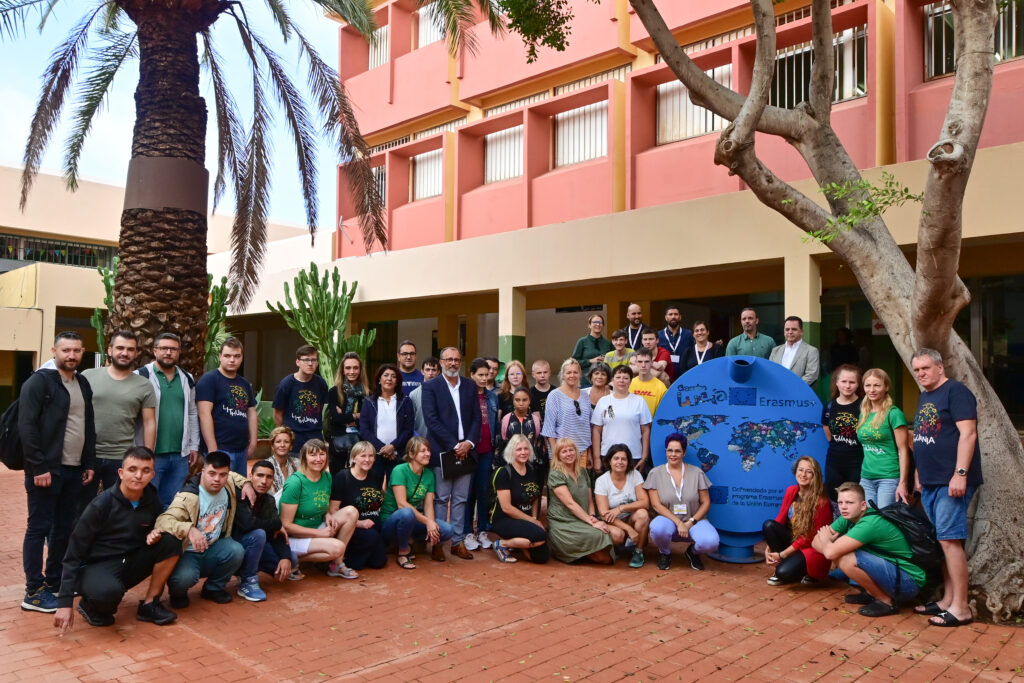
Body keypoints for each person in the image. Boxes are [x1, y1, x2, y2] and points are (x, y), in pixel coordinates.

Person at [54, 447, 180, 630]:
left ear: (152, 474)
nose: (138, 476)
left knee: (170, 542)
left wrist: (153, 532)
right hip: (97, 565)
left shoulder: (151, 498)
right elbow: (72, 553)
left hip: (129, 559)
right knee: (108, 596)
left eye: (145, 471)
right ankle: (89, 605)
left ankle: (149, 604)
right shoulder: (101, 505)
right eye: (132, 469)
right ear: (121, 473)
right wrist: (64, 603)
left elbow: (153, 525)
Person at [18, 331, 96, 614]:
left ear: (82, 351)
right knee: (38, 527)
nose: (71, 356)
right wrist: (38, 467)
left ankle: (54, 582)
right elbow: (26, 427)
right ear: (54, 351)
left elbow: (88, 424)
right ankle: (33, 591)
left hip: (74, 470)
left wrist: (89, 463)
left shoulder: (82, 382)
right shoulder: (39, 382)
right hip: (45, 471)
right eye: (66, 350)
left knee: (63, 527)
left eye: (76, 351)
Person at [910, 348, 982, 628]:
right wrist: (918, 471)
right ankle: (947, 600)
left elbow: (969, 433)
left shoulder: (956, 392)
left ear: (940, 367)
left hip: (951, 481)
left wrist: (960, 474)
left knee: (950, 541)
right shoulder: (925, 395)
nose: (921, 374)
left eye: (926, 368)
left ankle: (961, 608)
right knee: (944, 541)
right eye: (917, 370)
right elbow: (924, 437)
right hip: (930, 480)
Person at [812, 482, 926, 617]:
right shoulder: (847, 516)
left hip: (908, 582)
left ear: (863, 506)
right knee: (841, 554)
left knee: (845, 558)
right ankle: (871, 593)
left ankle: (886, 602)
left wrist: (827, 540)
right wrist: (829, 547)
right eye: (840, 502)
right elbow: (814, 542)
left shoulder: (870, 523)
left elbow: (830, 552)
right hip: (893, 573)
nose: (843, 507)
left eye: (849, 502)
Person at [156, 451, 248, 607]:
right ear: (203, 471)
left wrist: (247, 484)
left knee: (236, 550)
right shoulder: (187, 496)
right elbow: (162, 521)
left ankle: (213, 589)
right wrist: (189, 529)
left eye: (222, 475)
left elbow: (234, 476)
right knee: (184, 578)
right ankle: (178, 592)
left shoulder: (228, 483)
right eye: (212, 473)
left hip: (213, 546)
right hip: (188, 552)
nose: (217, 479)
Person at [80, 330, 157, 509]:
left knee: (119, 509)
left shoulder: (144, 385)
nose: (125, 353)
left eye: (130, 349)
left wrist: (146, 457)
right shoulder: (88, 376)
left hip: (122, 457)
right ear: (110, 350)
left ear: (136, 353)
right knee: (80, 507)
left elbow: (149, 423)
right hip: (87, 456)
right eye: (120, 348)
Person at [421, 346, 481, 560]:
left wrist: (469, 443)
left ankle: (457, 542)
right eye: (449, 360)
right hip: (443, 452)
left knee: (461, 499)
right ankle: (438, 543)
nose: (453, 363)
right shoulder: (431, 387)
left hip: (467, 452)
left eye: (456, 359)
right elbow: (431, 421)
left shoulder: (469, 385)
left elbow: (476, 418)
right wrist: (455, 445)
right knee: (441, 499)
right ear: (441, 362)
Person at [136, 332, 200, 509]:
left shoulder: (187, 378)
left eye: (173, 349)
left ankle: (166, 536)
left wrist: (194, 445)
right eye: (164, 348)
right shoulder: (141, 376)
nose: (168, 353)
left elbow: (192, 413)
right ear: (154, 350)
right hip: (150, 453)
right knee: (145, 501)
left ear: (179, 352)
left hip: (180, 456)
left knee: (171, 504)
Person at [278, 439, 359, 578]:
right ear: (304, 458)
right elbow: (286, 525)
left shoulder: (326, 476)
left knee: (351, 511)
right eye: (313, 455)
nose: (318, 459)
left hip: (316, 527)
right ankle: (294, 560)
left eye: (322, 454)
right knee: (338, 547)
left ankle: (337, 565)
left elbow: (320, 503)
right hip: (293, 537)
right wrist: (320, 534)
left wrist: (327, 515)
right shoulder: (295, 483)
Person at [645, 433, 719, 570]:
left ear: (684, 453)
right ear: (666, 451)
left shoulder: (697, 473)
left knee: (711, 542)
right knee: (657, 528)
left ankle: (693, 552)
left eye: (677, 451)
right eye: (670, 450)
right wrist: (679, 523)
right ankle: (665, 553)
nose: (673, 454)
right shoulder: (655, 473)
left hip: (694, 520)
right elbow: (656, 504)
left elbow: (706, 502)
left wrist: (690, 522)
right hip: (668, 520)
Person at [380, 437, 455, 569]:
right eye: (423, 451)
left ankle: (410, 540)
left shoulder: (429, 474)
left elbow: (428, 505)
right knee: (407, 512)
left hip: (412, 520)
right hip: (391, 521)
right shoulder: (400, 470)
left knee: (447, 530)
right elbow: (401, 504)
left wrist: (431, 525)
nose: (428, 453)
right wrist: (427, 522)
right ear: (411, 454)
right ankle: (403, 551)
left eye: (428, 450)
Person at [762, 456, 833, 585]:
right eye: (800, 470)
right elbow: (780, 519)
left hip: (811, 549)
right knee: (769, 525)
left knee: (784, 573)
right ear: (795, 472)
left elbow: (809, 537)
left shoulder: (821, 501)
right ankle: (780, 567)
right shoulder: (791, 490)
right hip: (794, 541)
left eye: (809, 471)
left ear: (815, 475)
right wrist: (768, 550)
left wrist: (782, 554)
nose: (803, 475)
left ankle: (807, 573)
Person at [231, 459, 294, 602]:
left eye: (269, 477)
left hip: (257, 546)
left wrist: (286, 557)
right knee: (258, 534)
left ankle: (246, 570)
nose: (264, 481)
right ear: (250, 476)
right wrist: (275, 524)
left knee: (292, 561)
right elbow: (247, 524)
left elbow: (276, 531)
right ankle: (248, 580)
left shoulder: (269, 500)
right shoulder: (241, 495)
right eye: (260, 475)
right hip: (235, 545)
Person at [545, 438, 615, 564]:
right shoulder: (555, 474)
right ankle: (564, 551)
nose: (569, 454)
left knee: (608, 549)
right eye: (564, 451)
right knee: (603, 554)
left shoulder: (582, 472)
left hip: (582, 518)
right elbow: (570, 504)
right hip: (563, 522)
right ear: (558, 456)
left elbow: (590, 501)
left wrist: (593, 517)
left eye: (571, 450)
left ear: (576, 452)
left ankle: (578, 553)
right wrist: (592, 523)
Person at [195, 337, 257, 476]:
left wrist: (253, 442)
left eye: (237, 356)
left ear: (242, 358)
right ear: (220, 357)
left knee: (238, 491)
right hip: (220, 449)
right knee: (219, 491)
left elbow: (251, 412)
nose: (232, 360)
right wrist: (213, 450)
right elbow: (204, 414)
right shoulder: (210, 379)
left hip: (241, 449)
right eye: (227, 356)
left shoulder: (244, 383)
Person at [489, 435, 549, 563]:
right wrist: (532, 522)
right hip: (505, 519)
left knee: (541, 557)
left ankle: (516, 544)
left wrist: (534, 518)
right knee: (540, 535)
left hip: (524, 520)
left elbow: (535, 497)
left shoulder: (532, 469)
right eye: (519, 449)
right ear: (512, 451)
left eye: (526, 449)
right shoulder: (504, 473)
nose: (523, 452)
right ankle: (502, 544)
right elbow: (507, 508)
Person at [329, 441, 387, 572]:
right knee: (358, 564)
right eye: (363, 456)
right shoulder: (342, 477)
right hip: (352, 528)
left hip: (373, 526)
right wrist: (360, 523)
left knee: (380, 562)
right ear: (354, 458)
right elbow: (333, 511)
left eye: (371, 456)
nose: (367, 460)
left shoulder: (375, 475)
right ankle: (340, 560)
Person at [857, 368, 911, 508]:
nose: (872, 390)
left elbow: (903, 450)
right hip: (866, 477)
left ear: (886, 387)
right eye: (868, 385)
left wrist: (903, 482)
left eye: (877, 385)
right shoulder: (863, 414)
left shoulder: (894, 413)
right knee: (869, 519)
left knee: (884, 519)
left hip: (889, 477)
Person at [594, 444, 650, 568]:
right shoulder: (602, 481)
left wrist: (620, 508)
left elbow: (645, 502)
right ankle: (619, 546)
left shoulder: (634, 475)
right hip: (613, 522)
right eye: (616, 458)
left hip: (631, 517)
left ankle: (638, 551)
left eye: (623, 459)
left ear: (628, 461)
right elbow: (603, 513)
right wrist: (628, 529)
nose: (620, 462)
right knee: (617, 535)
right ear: (609, 460)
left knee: (643, 514)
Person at [464, 358, 499, 552]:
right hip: (470, 452)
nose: (485, 378)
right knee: (468, 493)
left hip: (487, 450)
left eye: (488, 374)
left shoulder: (493, 397)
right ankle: (468, 531)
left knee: (484, 492)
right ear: (472, 374)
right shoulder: (465, 396)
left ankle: (483, 530)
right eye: (481, 375)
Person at [591, 365, 652, 475]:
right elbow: (596, 430)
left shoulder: (639, 401)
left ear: (630, 381)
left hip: (634, 456)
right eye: (618, 377)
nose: (621, 381)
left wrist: (644, 458)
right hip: (608, 455)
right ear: (612, 380)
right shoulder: (604, 402)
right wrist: (596, 458)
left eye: (625, 378)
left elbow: (646, 430)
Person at [359, 363, 415, 480]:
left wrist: (393, 447)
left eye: (393, 376)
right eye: (386, 375)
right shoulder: (369, 402)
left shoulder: (405, 401)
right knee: (374, 488)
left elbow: (408, 429)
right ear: (379, 379)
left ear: (397, 381)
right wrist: (383, 448)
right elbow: (364, 430)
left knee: (396, 488)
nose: (389, 379)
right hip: (375, 454)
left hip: (398, 454)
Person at [272, 344, 329, 451]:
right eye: (306, 360)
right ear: (298, 362)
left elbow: (320, 407)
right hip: (294, 436)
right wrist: (286, 434)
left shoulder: (321, 383)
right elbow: (277, 413)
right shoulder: (286, 384)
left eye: (314, 360)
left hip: (315, 435)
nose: (310, 364)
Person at [541, 358, 594, 470]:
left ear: (580, 374)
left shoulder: (585, 396)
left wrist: (589, 452)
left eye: (575, 372)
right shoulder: (554, 395)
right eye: (568, 372)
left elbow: (588, 426)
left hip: (582, 450)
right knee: (562, 486)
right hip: (561, 452)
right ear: (563, 375)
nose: (572, 375)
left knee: (580, 486)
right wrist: (556, 454)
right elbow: (549, 428)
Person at [822, 365, 864, 501]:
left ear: (858, 384)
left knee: (856, 502)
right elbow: (828, 433)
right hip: (834, 463)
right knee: (836, 502)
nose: (847, 386)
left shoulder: (865, 406)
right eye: (844, 381)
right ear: (836, 382)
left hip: (858, 463)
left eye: (852, 382)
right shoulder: (829, 407)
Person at [326, 352, 368, 472]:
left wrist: (346, 417)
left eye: (355, 368)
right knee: (337, 480)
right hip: (338, 443)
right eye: (348, 368)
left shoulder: (367, 393)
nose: (352, 371)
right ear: (343, 370)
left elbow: (368, 419)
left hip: (360, 443)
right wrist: (356, 415)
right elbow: (336, 419)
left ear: (360, 370)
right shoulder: (334, 392)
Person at [769, 316, 821, 385]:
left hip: (799, 393)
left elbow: (811, 375)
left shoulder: (811, 351)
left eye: (794, 329)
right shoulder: (775, 351)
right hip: (777, 392)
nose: (790, 332)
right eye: (787, 329)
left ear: (801, 331)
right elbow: (770, 372)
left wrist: (793, 387)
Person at [571, 313, 613, 387]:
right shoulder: (582, 341)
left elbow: (613, 361)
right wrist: (590, 361)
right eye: (594, 322)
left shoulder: (608, 343)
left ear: (603, 325)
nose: (598, 324)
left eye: (600, 322)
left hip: (603, 381)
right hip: (585, 381)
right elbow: (573, 362)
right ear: (589, 325)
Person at [658, 304, 694, 380]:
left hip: (684, 376)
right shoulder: (658, 335)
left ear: (680, 317)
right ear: (666, 317)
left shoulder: (689, 334)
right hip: (664, 377)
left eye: (676, 314)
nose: (673, 317)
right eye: (670, 314)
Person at [629, 349, 668, 417]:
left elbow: (665, 412)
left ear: (652, 363)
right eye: (640, 362)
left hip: (652, 426)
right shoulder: (629, 384)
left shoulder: (661, 387)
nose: (643, 365)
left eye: (646, 362)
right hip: (632, 426)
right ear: (636, 363)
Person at [410, 356, 440, 437]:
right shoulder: (413, 394)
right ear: (422, 372)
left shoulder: (445, 393)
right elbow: (410, 421)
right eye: (427, 369)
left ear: (438, 372)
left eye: (433, 370)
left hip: (440, 440)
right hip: (420, 439)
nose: (430, 373)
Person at [266, 426, 298, 495]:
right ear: (272, 446)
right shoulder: (265, 465)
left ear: (291, 446)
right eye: (278, 442)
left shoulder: (298, 463)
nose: (282, 445)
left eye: (286, 442)